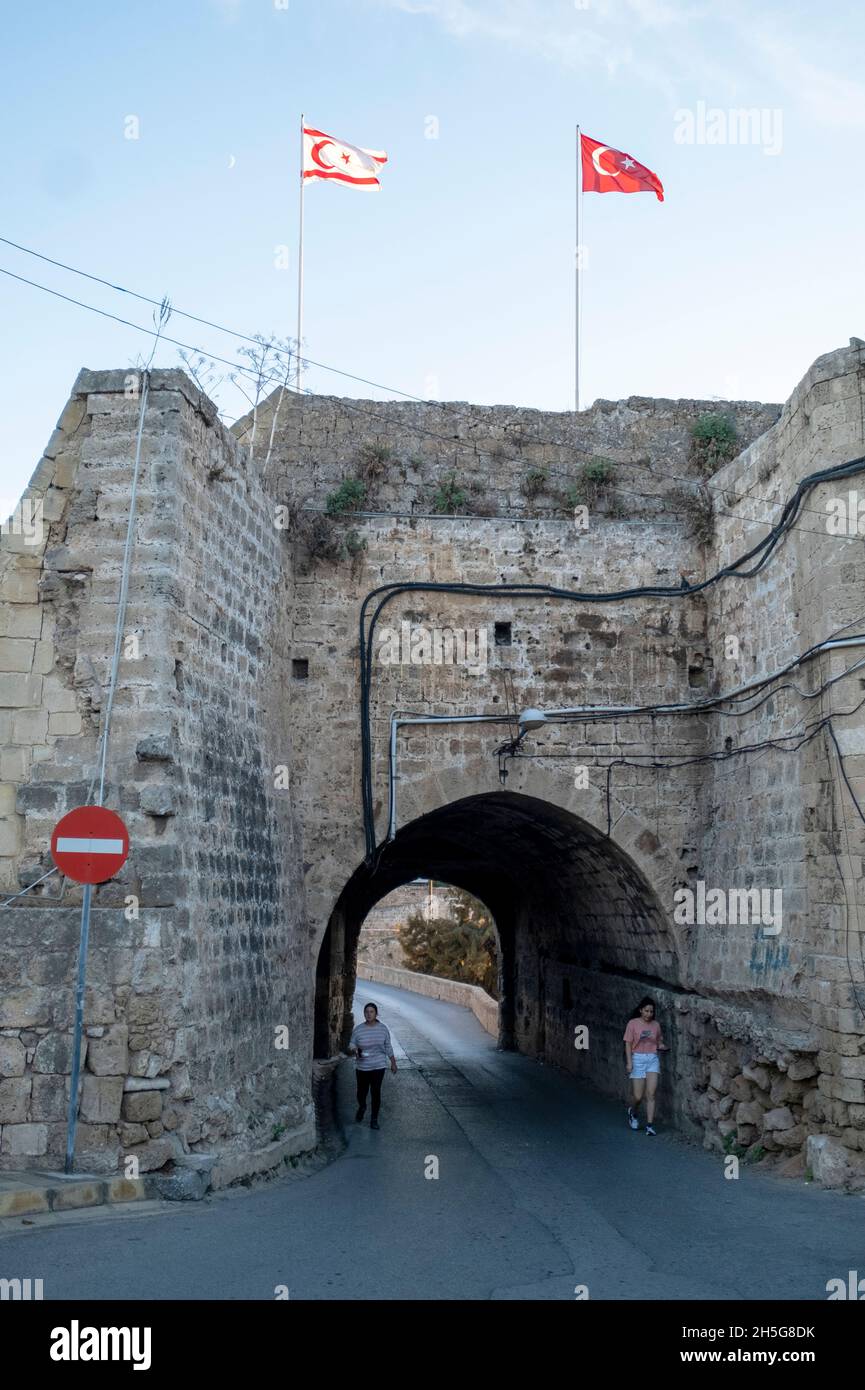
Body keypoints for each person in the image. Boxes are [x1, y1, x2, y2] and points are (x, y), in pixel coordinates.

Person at [624, 996, 668, 1136]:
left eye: (651, 1011)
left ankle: (649, 1125)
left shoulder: (656, 1025)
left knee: (651, 1093)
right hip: (637, 1059)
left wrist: (662, 1046)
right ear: (641, 1010)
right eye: (647, 1011)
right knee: (638, 1096)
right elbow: (628, 1043)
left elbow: (659, 1040)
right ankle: (633, 1112)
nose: (649, 1014)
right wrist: (629, 1062)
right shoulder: (633, 1024)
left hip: (652, 1059)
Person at [349, 1002, 397, 1130]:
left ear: (376, 1014)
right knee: (361, 1092)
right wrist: (355, 1051)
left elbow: (388, 1046)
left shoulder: (383, 1029)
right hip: (362, 1067)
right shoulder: (358, 1029)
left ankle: (374, 1119)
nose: (368, 1014)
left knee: (376, 1092)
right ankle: (362, 1106)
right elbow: (351, 1044)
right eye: (366, 1012)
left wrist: (393, 1062)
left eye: (371, 1012)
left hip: (378, 1065)